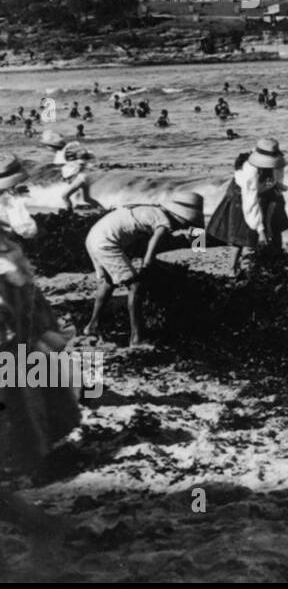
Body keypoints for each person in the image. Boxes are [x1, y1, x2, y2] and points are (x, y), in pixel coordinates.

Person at [0, 154, 81, 474]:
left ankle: (36, 446)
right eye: (16, 190)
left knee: (30, 372)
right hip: (8, 308)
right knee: (15, 381)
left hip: (18, 306)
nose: (22, 194)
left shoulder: (7, 225)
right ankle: (25, 456)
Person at [83, 192, 206, 346]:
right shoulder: (164, 222)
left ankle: (92, 326)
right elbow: (155, 241)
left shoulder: (153, 212)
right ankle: (137, 337)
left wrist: (195, 242)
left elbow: (142, 236)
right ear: (182, 216)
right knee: (136, 286)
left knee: (107, 282)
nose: (183, 227)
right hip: (106, 243)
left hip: (94, 237)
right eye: (186, 223)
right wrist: (147, 265)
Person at [206, 152, 256, 272]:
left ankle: (234, 266)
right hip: (241, 212)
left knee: (237, 242)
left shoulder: (237, 177)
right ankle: (239, 266)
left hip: (232, 210)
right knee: (246, 241)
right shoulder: (245, 179)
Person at [236, 138, 288, 252]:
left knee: (274, 225)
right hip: (245, 194)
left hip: (264, 190)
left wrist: (277, 186)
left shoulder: (278, 163)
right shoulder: (250, 171)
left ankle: (275, 249)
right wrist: (260, 230)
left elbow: (277, 178)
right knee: (249, 237)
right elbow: (250, 202)